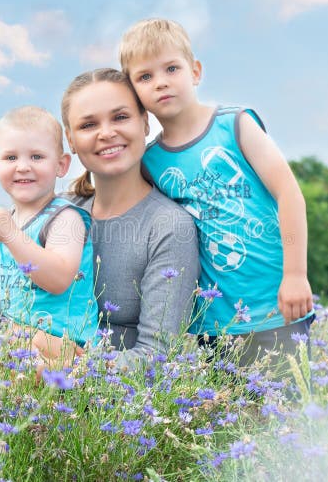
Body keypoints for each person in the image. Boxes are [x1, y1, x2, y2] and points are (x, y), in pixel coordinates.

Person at [118, 18, 314, 369]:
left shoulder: (234, 124)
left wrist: (296, 275)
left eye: (171, 68)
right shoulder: (150, 161)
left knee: (290, 414)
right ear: (134, 92)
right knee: (233, 419)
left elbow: (289, 193)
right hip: (213, 322)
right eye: (145, 77)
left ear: (195, 71)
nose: (160, 82)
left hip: (277, 302)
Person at [0, 106, 98, 368]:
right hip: (20, 339)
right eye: (11, 158)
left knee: (25, 350)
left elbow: (58, 280)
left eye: (36, 156)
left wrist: (11, 235)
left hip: (64, 340)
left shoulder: (66, 218)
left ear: (61, 165)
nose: (23, 167)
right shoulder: (7, 223)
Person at [61, 68, 199, 370]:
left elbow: (157, 358)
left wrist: (68, 365)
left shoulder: (168, 227)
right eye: (88, 125)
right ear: (70, 140)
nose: (106, 132)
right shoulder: (57, 213)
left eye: (120, 117)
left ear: (145, 122)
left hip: (119, 407)